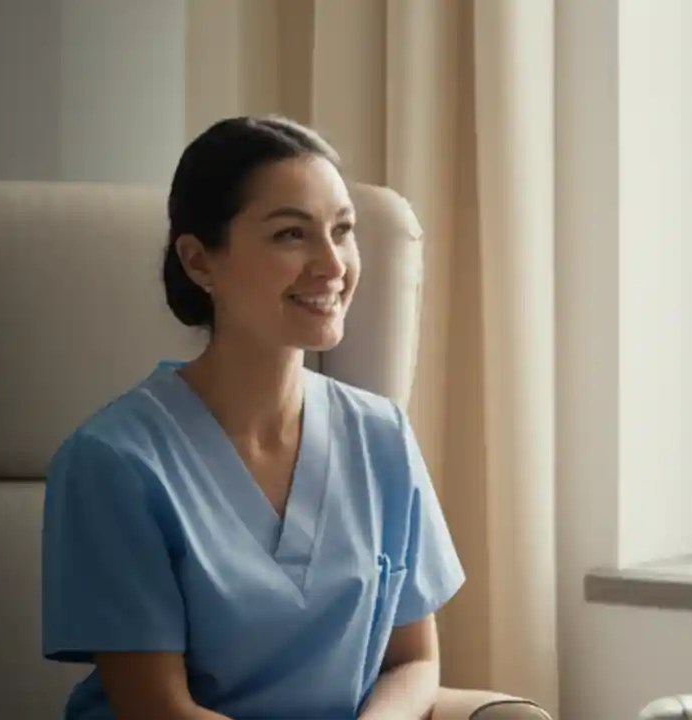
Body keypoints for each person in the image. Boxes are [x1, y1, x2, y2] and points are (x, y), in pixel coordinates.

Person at [41, 116, 464, 720]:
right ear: (199, 262)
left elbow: (412, 661)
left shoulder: (381, 436)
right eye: (291, 235)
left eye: (342, 231)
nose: (332, 264)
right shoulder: (114, 461)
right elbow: (159, 710)